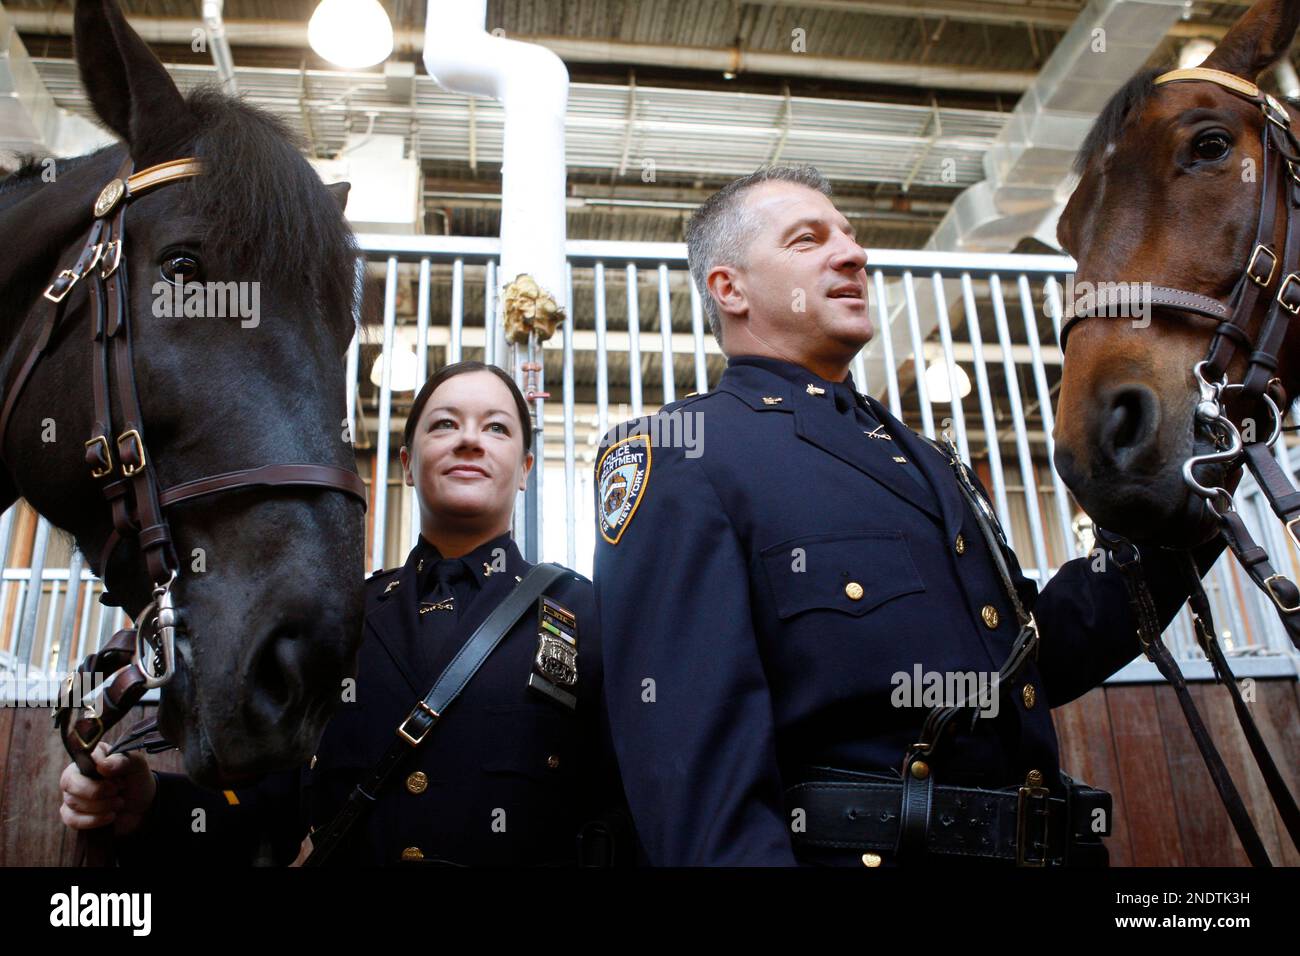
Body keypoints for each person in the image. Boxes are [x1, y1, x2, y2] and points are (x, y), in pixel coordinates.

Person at [592, 165, 1222, 867]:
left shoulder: (922, 457)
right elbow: (692, 764)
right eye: (808, 239)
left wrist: (1198, 502)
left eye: (851, 237)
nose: (853, 253)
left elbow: (1037, 659)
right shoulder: (682, 453)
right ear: (729, 288)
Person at [60, 361, 629, 866]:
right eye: (444, 424)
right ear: (408, 464)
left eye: (497, 427)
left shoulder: (585, 617)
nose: (470, 441)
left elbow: (622, 810)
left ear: (526, 467)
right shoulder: (336, 619)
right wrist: (150, 804)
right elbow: (268, 814)